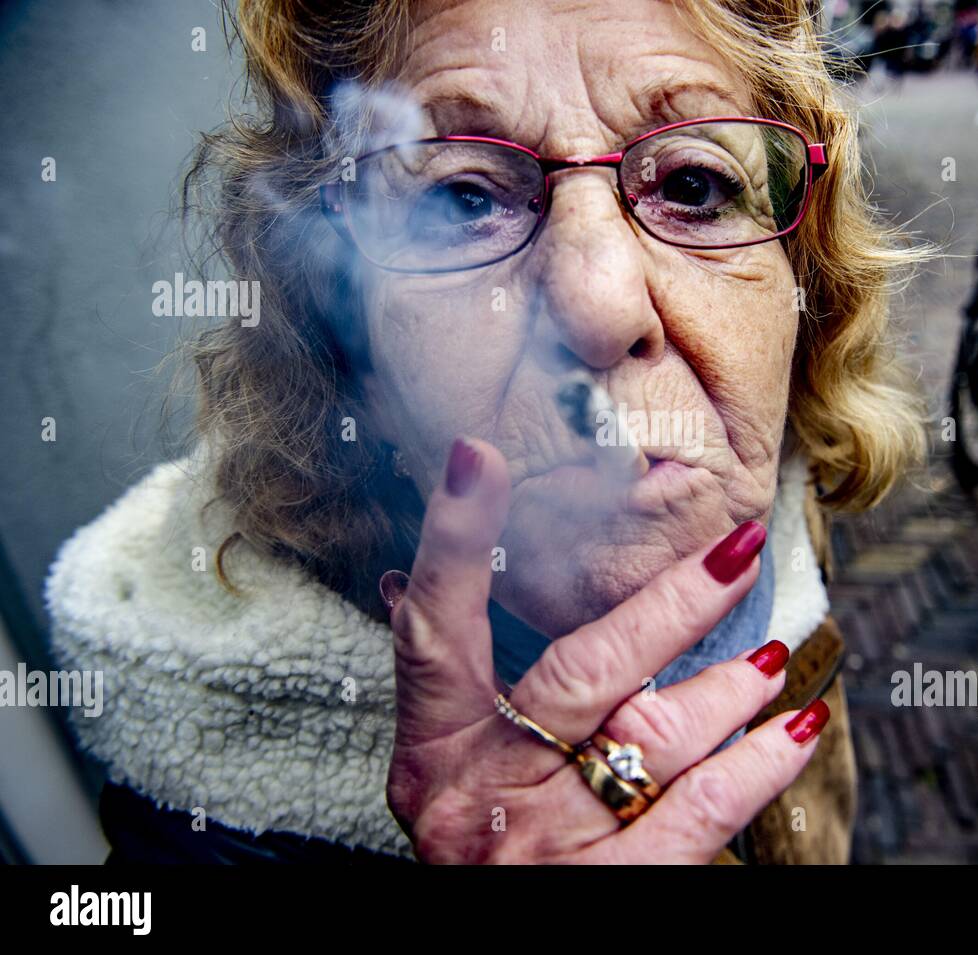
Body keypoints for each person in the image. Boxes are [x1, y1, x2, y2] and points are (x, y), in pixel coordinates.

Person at [47, 0, 925, 864]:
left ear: (803, 290)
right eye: (464, 198)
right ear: (348, 345)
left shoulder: (786, 513)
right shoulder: (205, 831)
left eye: (693, 184)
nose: (599, 303)